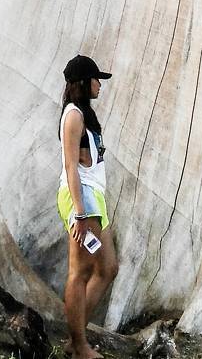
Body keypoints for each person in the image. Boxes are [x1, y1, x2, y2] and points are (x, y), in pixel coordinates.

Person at [58, 54, 119, 359]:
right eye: (96, 79)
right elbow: (71, 166)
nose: (99, 85)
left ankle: (76, 335)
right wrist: (80, 213)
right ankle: (78, 345)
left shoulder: (85, 115)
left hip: (94, 196)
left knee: (108, 268)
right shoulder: (73, 117)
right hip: (81, 198)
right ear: (83, 82)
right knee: (79, 271)